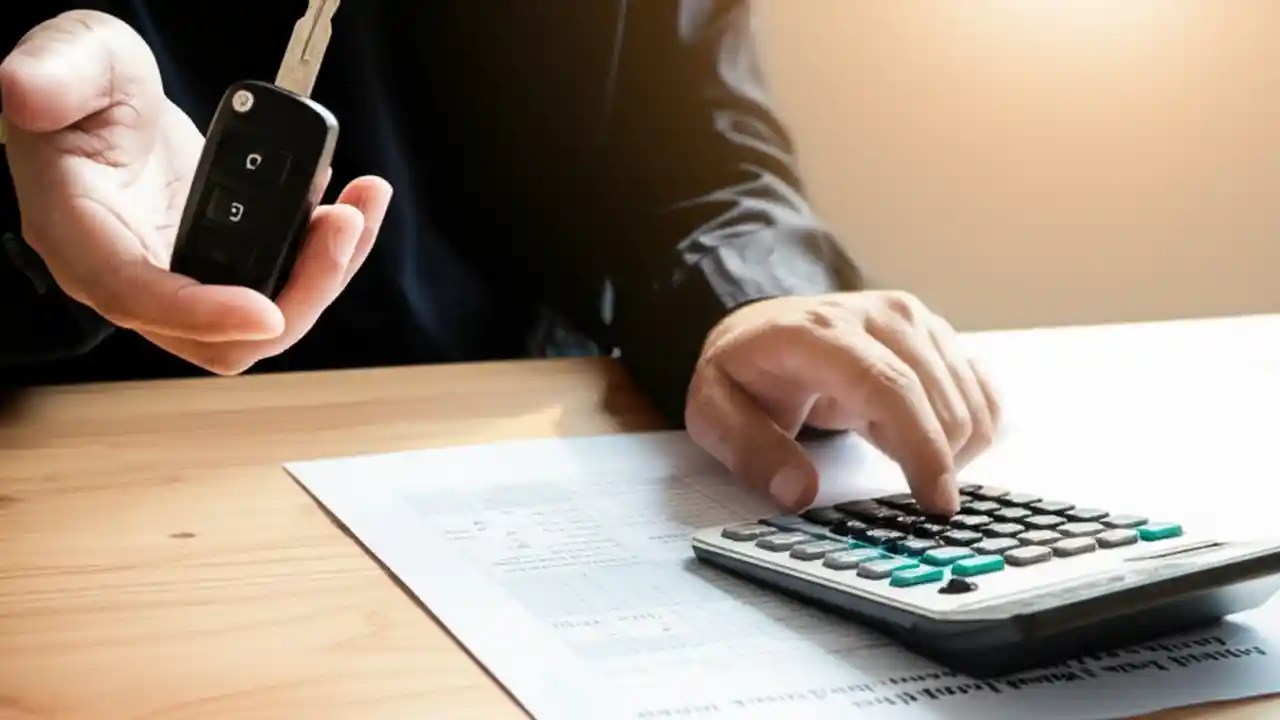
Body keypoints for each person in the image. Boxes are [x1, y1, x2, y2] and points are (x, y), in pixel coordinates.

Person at [0, 2, 1000, 516]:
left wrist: (747, 299)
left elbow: (694, 140)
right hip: (69, 466)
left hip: (506, 450)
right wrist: (19, 203)